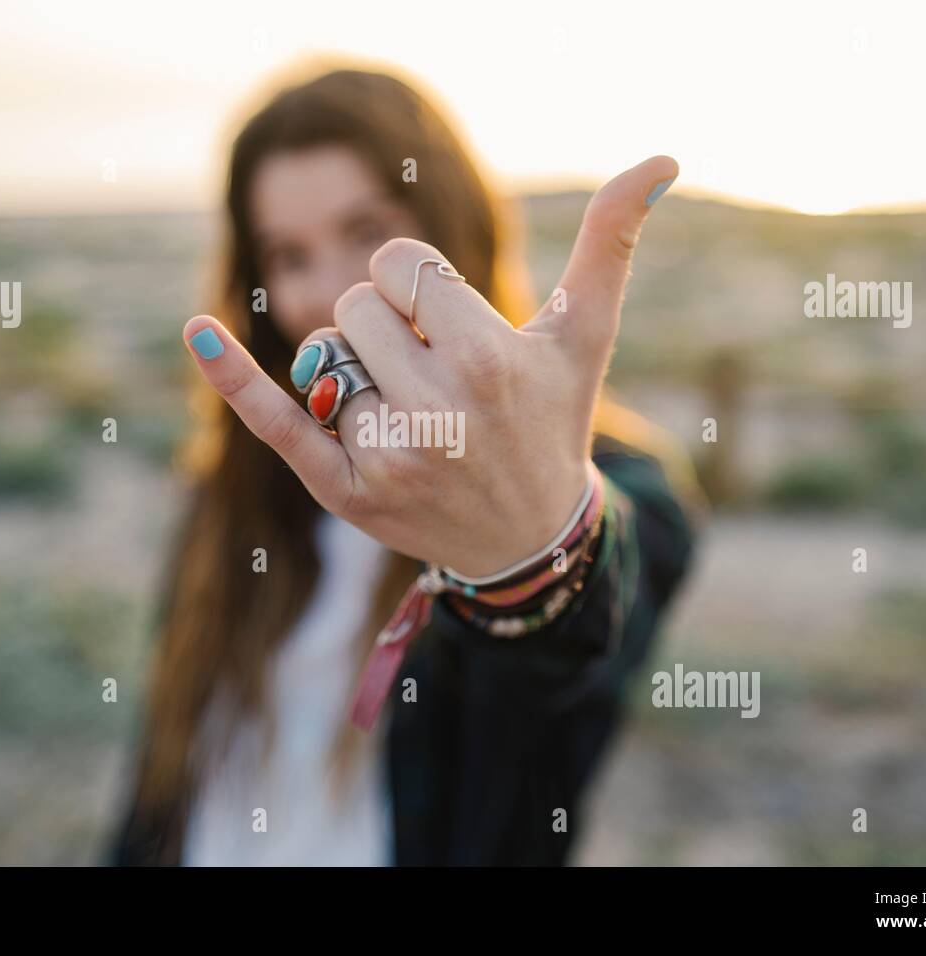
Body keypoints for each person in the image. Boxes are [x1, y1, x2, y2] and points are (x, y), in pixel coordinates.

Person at [108, 61, 702, 866]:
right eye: (288, 256)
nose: (329, 294)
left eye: (366, 235)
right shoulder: (238, 489)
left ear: (454, 232)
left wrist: (527, 547)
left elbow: (589, 617)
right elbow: (164, 775)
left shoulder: (619, 480)